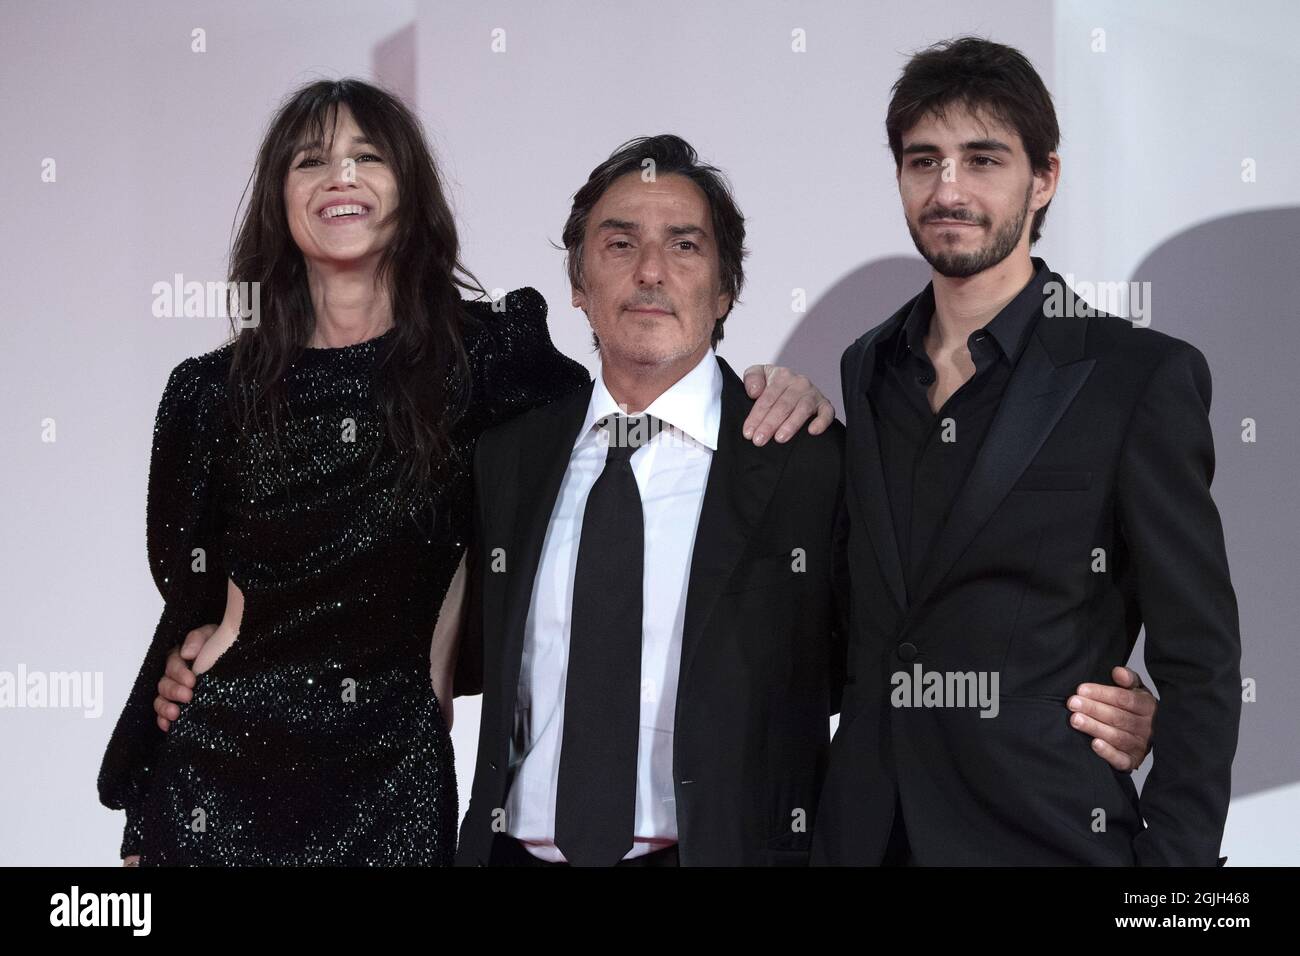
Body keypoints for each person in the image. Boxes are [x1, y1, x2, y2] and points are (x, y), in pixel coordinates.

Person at [100, 81, 828, 866]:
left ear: (410, 190)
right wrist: (164, 743)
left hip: (392, 787)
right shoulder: (209, 394)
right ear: (279, 197)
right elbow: (193, 593)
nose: (340, 176)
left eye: (368, 157)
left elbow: (641, 386)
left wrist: (778, 386)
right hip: (220, 774)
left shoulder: (487, 362)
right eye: (311, 160)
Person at [451, 135, 1155, 867]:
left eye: (685, 246)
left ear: (725, 290)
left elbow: (908, 653)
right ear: (577, 279)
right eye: (619, 243)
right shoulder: (509, 459)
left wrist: (1086, 710)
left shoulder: (813, 464)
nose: (651, 272)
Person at [812, 37, 1242, 866]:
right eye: (923, 160)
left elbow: (1203, 657)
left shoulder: (1136, 377)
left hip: (1047, 834)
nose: (948, 189)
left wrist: (1173, 875)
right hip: (863, 835)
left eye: (982, 160)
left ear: (1043, 178)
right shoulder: (866, 366)